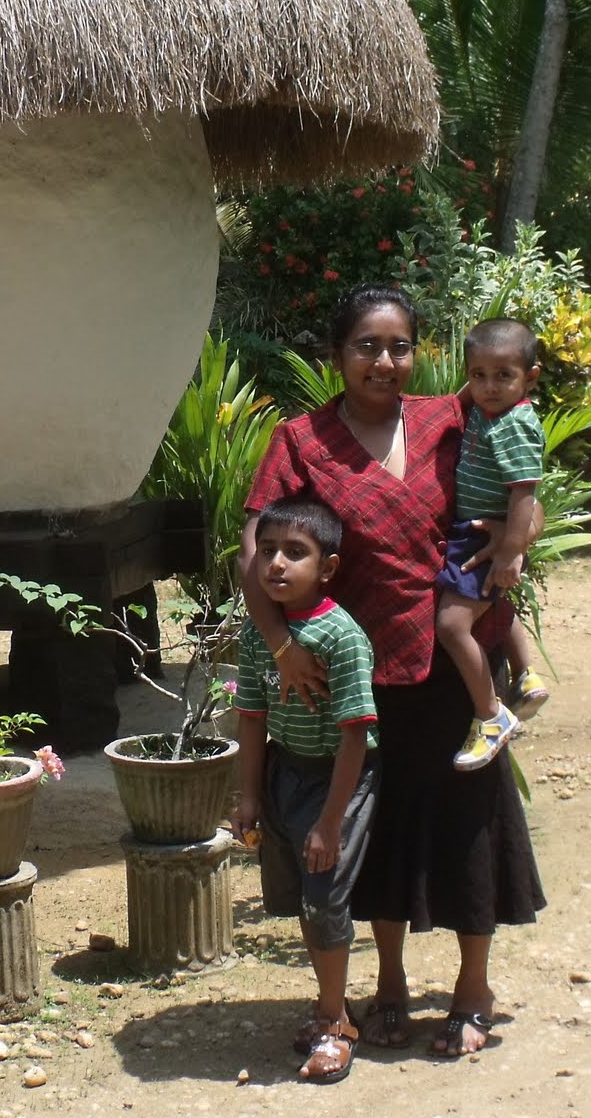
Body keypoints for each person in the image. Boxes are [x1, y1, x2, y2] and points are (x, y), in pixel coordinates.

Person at [240, 284, 545, 1061]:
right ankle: (389, 986)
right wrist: (281, 644)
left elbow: (524, 489)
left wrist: (508, 540)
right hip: (354, 669)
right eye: (365, 346)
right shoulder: (299, 442)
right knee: (371, 835)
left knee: (469, 821)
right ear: (336, 355)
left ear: (417, 352)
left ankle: (472, 988)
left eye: (398, 345)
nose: (384, 360)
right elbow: (254, 556)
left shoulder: (456, 417)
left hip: (452, 660)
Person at [232, 497, 377, 1083]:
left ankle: (337, 1022)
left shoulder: (341, 638)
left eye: (296, 552)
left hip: (335, 784)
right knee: (302, 901)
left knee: (325, 898)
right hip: (282, 775)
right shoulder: (260, 633)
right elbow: (250, 717)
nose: (277, 565)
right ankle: (327, 1008)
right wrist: (249, 796)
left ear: (329, 567)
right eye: (267, 551)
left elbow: (355, 740)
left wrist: (329, 823)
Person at [435, 317, 550, 771]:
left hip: (484, 538)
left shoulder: (514, 426)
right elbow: (464, 398)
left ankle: (490, 714)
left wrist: (511, 551)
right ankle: (526, 675)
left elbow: (524, 493)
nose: (488, 386)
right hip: (474, 532)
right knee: (496, 605)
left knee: (451, 625)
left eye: (504, 375)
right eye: (478, 375)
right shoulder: (488, 411)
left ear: (530, 378)